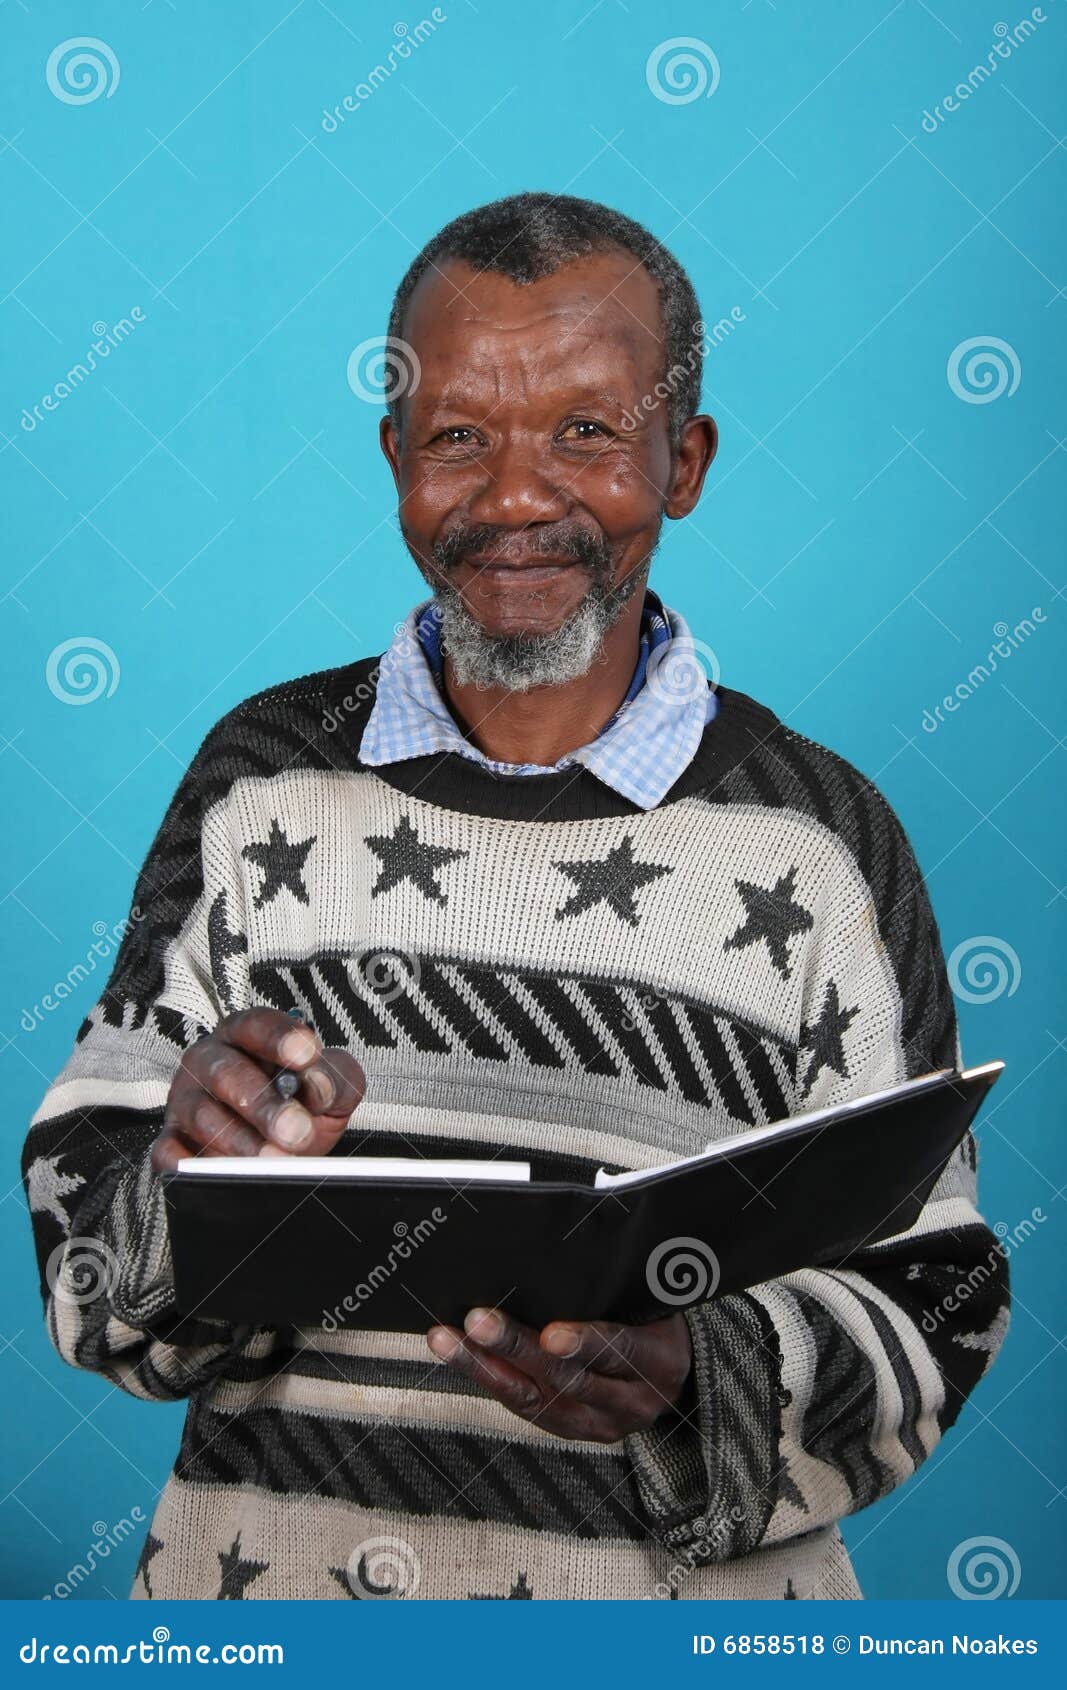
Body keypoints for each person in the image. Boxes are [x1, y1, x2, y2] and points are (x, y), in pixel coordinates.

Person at [22, 193, 1009, 1602]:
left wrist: (690, 1376)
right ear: (394, 461)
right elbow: (86, 1241)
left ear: (688, 461)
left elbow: (943, 1294)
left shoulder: (823, 840)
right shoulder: (255, 783)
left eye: (589, 432)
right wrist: (187, 1190)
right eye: (459, 437)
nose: (516, 497)